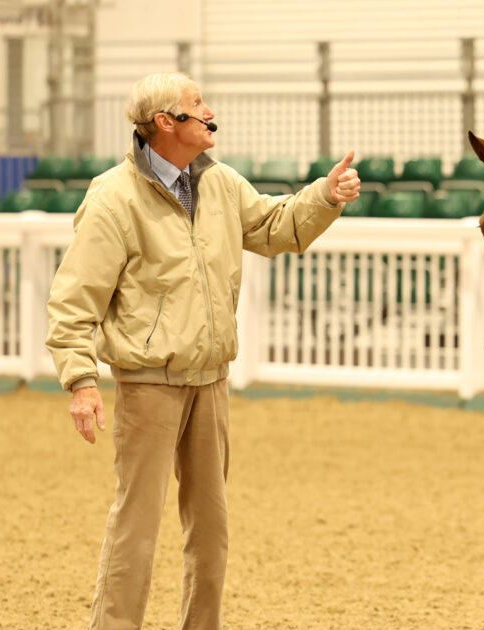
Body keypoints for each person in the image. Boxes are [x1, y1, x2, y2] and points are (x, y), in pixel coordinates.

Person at [46, 71, 361, 629]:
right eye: (198, 105)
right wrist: (81, 380)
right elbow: (75, 300)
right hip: (147, 387)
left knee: (211, 534)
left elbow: (273, 227)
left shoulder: (220, 183)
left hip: (211, 382)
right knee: (136, 529)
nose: (210, 112)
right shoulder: (113, 198)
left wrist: (324, 196)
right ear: (166, 122)